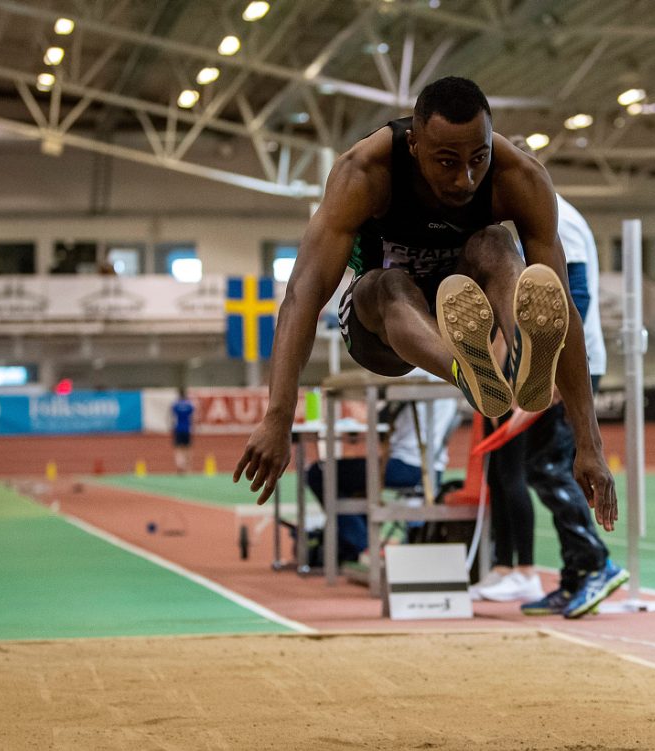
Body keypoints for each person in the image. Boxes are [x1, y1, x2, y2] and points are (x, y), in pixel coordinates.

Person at [233, 77, 618, 535]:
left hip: (462, 301)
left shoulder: (521, 176)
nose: (465, 178)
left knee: (496, 243)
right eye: (447, 162)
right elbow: (302, 294)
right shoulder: (365, 171)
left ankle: (521, 352)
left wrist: (588, 442)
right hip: (381, 326)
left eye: (479, 159)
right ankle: (466, 371)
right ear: (414, 144)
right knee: (390, 284)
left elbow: (562, 311)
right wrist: (278, 415)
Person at [474, 192, 627, 617]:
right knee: (542, 466)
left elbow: (572, 300)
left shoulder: (558, 219)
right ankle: (576, 575)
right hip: (548, 366)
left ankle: (596, 562)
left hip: (571, 365)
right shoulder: (531, 220)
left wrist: (559, 375)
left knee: (548, 467)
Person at [306, 390, 462, 563]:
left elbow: (377, 400)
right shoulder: (448, 381)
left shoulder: (415, 373)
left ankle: (362, 547)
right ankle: (355, 544)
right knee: (355, 481)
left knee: (319, 472)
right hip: (433, 470)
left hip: (406, 466)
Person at [170, 389, 195, 476]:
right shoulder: (189, 405)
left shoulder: (175, 405)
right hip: (187, 429)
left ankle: (180, 465)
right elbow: (192, 417)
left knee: (178, 449)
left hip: (178, 428)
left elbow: (172, 418)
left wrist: (172, 428)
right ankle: (188, 468)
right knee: (188, 449)